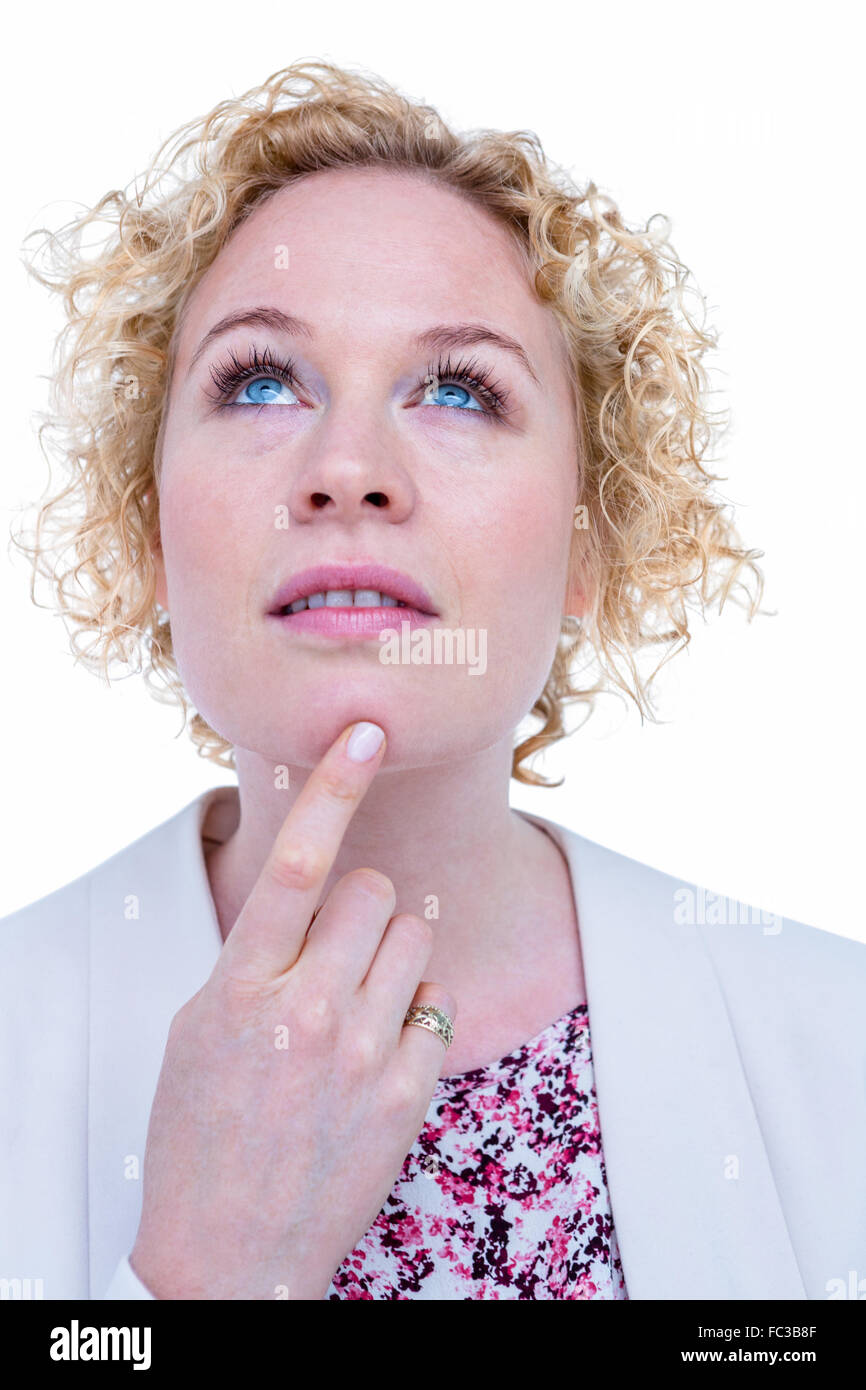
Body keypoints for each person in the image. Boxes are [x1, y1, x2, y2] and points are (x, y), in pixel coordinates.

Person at [2, 59, 863, 1302]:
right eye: (258, 379)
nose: (346, 467)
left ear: (591, 540)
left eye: (458, 389)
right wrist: (197, 1283)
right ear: (150, 536)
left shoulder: (834, 1044)